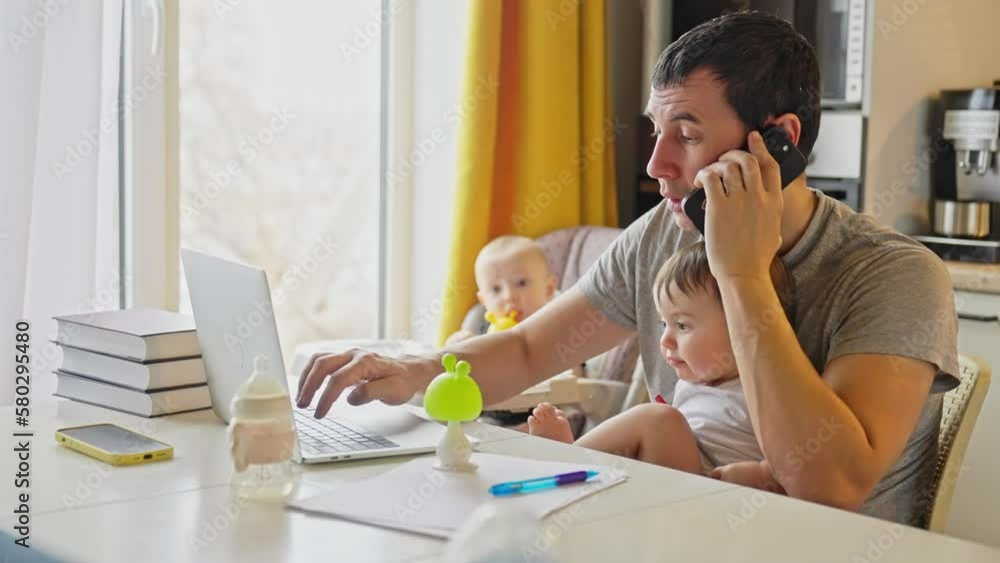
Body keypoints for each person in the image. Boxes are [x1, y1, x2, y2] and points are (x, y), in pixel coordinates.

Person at [296, 11, 958, 525]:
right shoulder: (661, 240)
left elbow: (830, 482)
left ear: (777, 142)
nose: (656, 165)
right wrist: (413, 369)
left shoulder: (893, 275)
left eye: (687, 134)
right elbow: (530, 348)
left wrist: (742, 274)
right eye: (655, 132)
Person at [528, 241, 791, 493]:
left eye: (683, 325)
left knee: (660, 420)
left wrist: (761, 472)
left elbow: (799, 458)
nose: (665, 339)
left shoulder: (770, 389)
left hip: (711, 499)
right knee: (660, 423)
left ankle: (566, 459)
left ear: (743, 325)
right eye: (664, 324)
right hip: (677, 487)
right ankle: (571, 466)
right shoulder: (693, 384)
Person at [444, 235, 558, 345]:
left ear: (549, 288)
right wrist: (461, 343)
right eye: (496, 289)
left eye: (521, 283)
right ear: (484, 301)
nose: (508, 296)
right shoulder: (480, 324)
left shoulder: (561, 315)